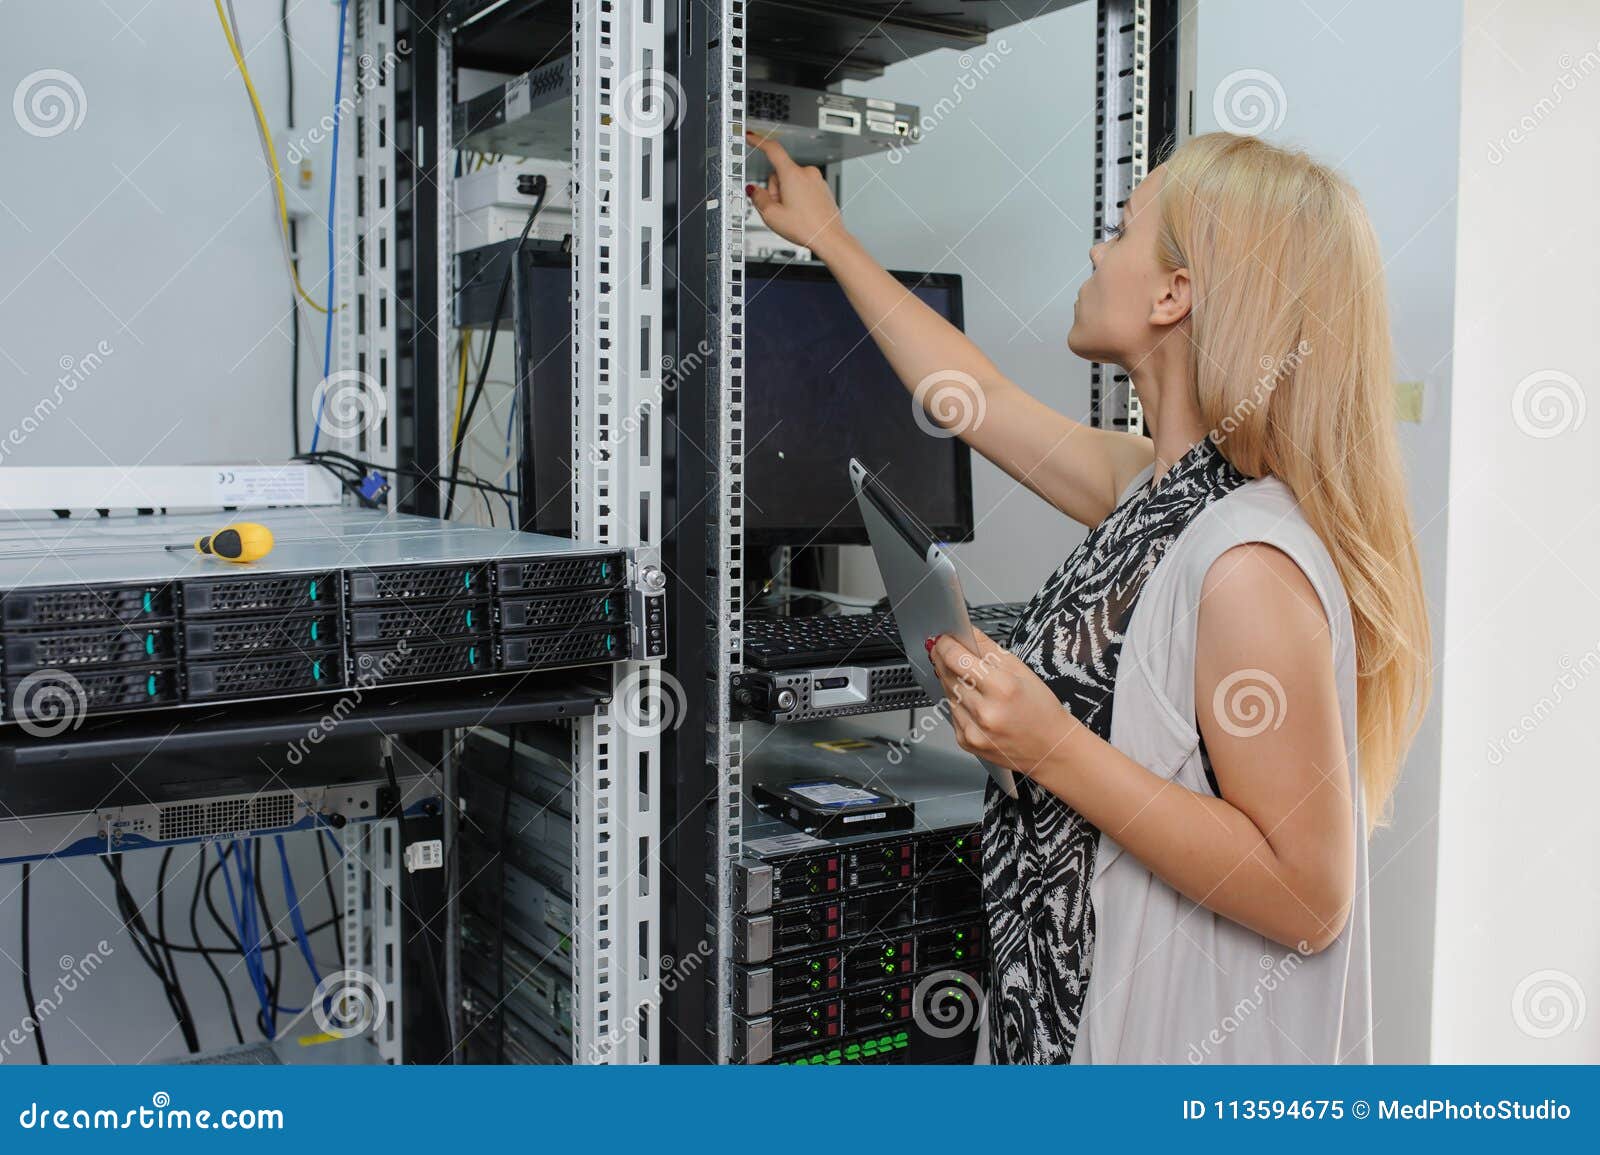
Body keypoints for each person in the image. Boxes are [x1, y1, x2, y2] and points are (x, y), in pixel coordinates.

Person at [745, 130, 1430, 1064]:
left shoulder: (1246, 563)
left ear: (1173, 295)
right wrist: (826, 233)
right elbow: (970, 394)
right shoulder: (1158, 489)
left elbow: (1311, 897)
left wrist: (1050, 745)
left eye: (1120, 230)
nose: (1096, 249)